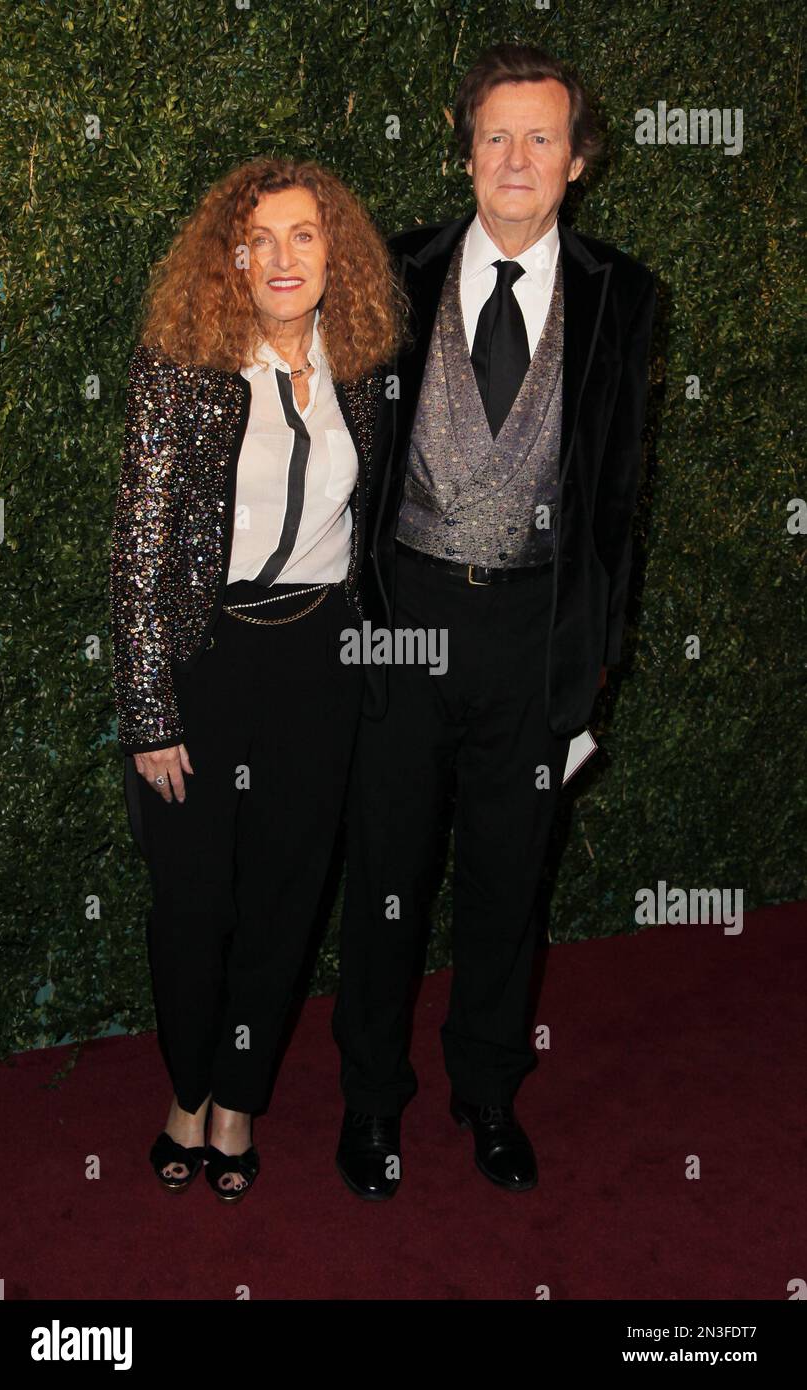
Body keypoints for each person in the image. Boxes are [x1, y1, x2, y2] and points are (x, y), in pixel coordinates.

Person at [332, 44, 657, 1199]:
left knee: (508, 886)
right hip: (404, 621)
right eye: (494, 136)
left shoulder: (624, 296)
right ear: (465, 152)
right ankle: (370, 1099)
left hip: (533, 635)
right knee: (385, 878)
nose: (515, 158)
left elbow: (617, 504)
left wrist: (589, 681)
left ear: (576, 160)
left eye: (540, 138)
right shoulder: (395, 271)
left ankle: (485, 1091)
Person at [109, 157, 404, 1203]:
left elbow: (376, 537)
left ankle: (236, 1097)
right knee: (191, 904)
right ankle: (185, 1086)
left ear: (337, 255)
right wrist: (148, 707)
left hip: (317, 664)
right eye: (257, 241)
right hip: (206, 661)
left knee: (286, 895)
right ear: (226, 260)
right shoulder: (178, 366)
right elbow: (138, 552)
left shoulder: (364, 368)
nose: (281, 259)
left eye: (303, 237)